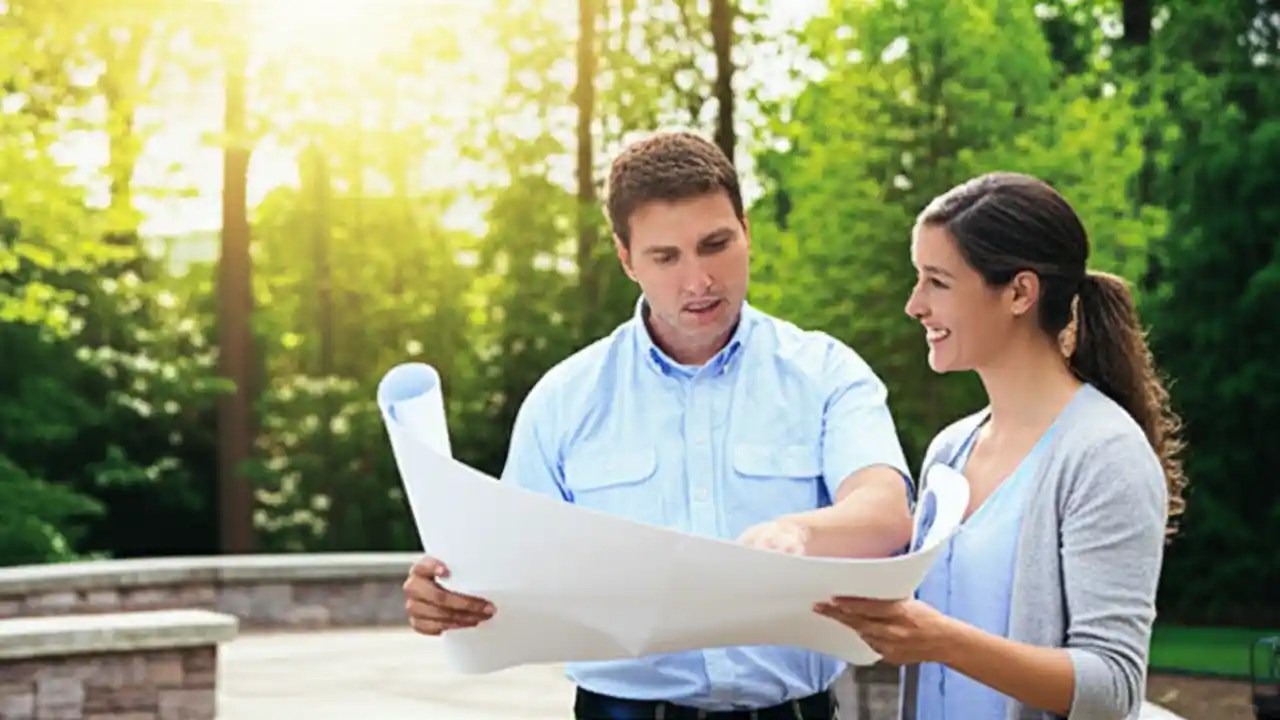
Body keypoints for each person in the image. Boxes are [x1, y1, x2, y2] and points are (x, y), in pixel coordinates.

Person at [402, 130, 915, 719]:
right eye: (665, 257)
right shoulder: (564, 400)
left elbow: (885, 514)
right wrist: (446, 594)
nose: (698, 281)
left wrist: (800, 534)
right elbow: (510, 571)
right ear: (626, 259)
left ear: (746, 231)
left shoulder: (825, 372)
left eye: (715, 244)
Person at [814, 172, 1187, 720]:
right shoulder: (951, 450)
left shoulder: (1104, 454)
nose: (914, 305)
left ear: (1019, 292)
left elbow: (1112, 686)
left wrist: (940, 639)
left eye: (937, 282)